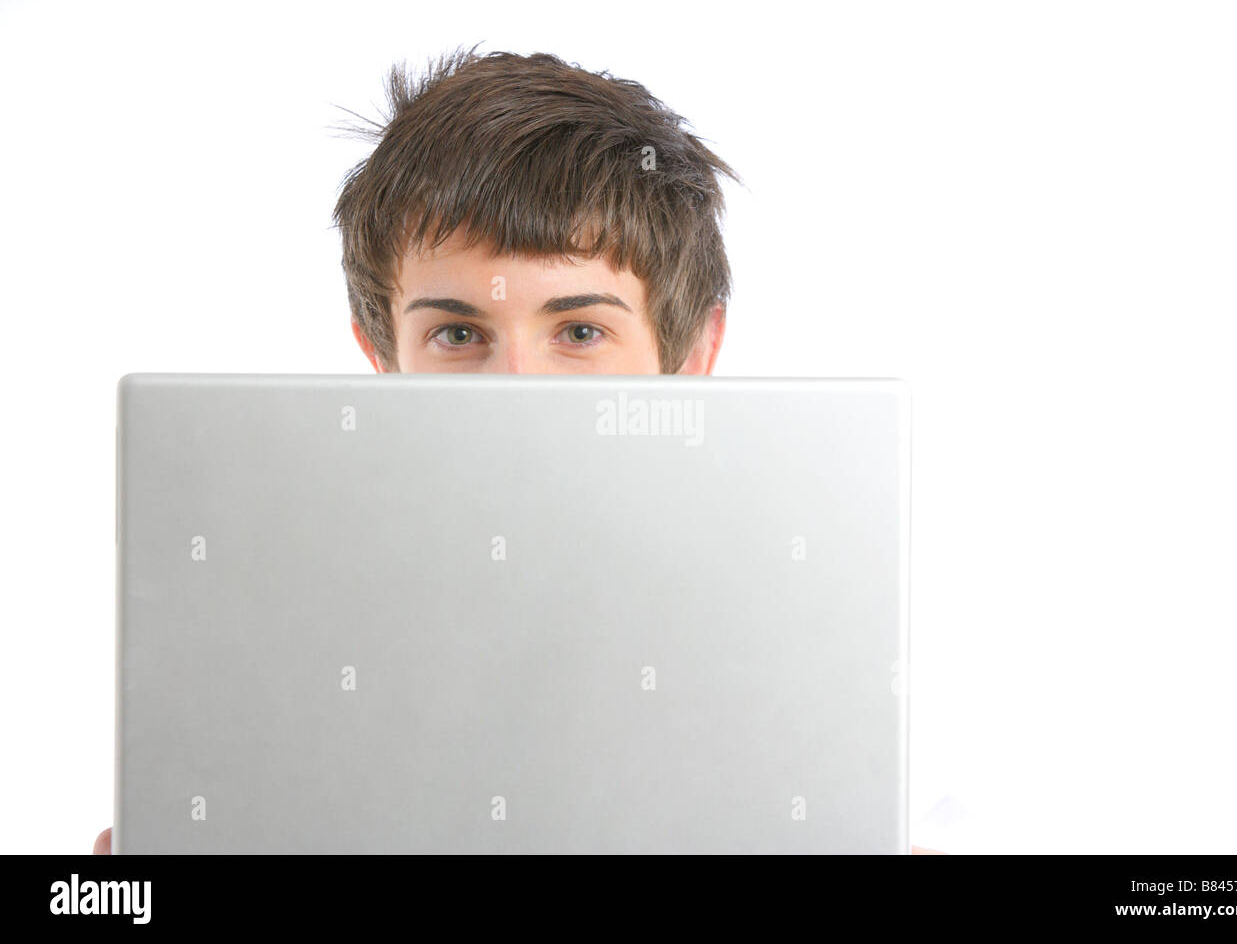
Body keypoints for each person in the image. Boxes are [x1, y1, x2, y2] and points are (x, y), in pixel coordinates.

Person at [94, 46, 940, 854]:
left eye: (579, 330)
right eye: (458, 332)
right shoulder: (276, 631)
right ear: (380, 355)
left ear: (691, 358)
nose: (518, 382)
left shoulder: (803, 634)